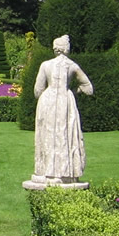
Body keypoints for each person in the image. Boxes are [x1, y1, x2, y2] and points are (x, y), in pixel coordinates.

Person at [33, 35, 93, 183]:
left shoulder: (45, 65)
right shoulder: (73, 66)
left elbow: (37, 90)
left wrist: (43, 99)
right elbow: (89, 88)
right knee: (65, 134)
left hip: (48, 101)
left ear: (55, 48)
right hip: (65, 102)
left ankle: (46, 171)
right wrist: (75, 92)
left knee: (47, 135)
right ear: (67, 49)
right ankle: (65, 171)